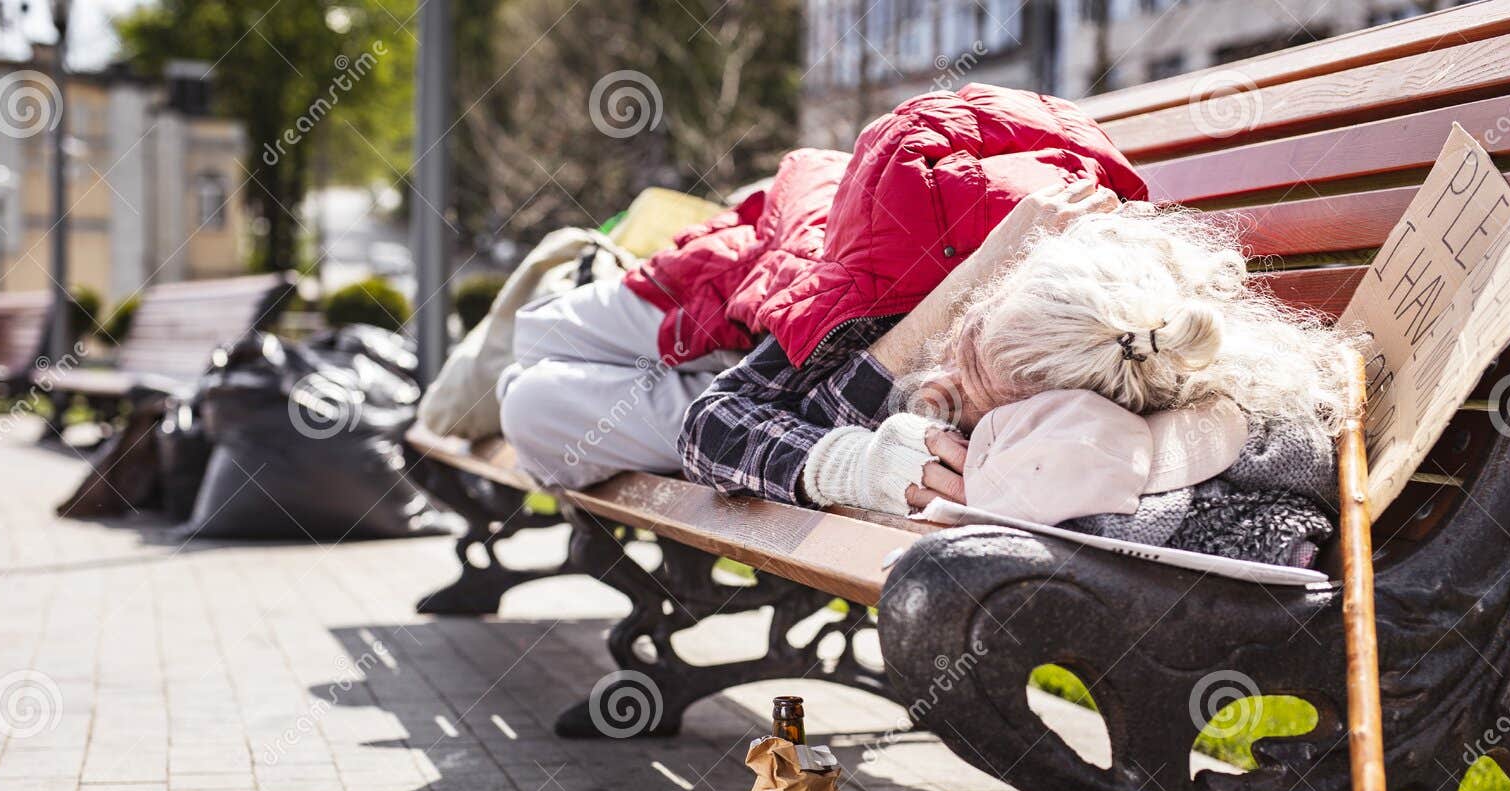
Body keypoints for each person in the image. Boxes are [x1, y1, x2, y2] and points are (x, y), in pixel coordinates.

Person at [498, 84, 1147, 489]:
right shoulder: (896, 268)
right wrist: (964, 283)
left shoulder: (1072, 343)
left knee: (528, 400)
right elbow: (740, 422)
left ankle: (696, 373)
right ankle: (698, 369)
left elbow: (731, 425)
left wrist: (965, 284)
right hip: (756, 286)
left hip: (772, 344)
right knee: (531, 345)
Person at [677, 194, 1357, 566]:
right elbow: (713, 423)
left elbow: (728, 426)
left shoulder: (1114, 364)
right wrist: (965, 277)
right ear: (1005, 285)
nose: (945, 378)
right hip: (727, 286)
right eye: (969, 336)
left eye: (976, 402)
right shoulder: (934, 262)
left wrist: (855, 459)